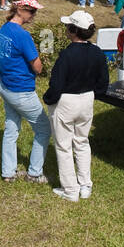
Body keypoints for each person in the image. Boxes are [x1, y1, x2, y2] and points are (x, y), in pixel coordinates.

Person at [43, 10, 109, 201]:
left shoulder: (66, 55)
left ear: (73, 30)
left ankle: (70, 190)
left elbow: (56, 84)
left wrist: (48, 99)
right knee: (82, 142)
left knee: (64, 147)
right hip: (87, 99)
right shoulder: (97, 52)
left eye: (67, 26)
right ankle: (85, 185)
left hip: (66, 101)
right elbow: (103, 81)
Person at [0, 0, 50, 184]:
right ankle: (34, 173)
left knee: (11, 128)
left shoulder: (5, 29)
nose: (34, 15)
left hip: (6, 87)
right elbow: (37, 66)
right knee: (44, 129)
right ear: (20, 9)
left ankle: (8, 173)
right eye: (31, 11)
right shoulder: (23, 35)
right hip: (22, 91)